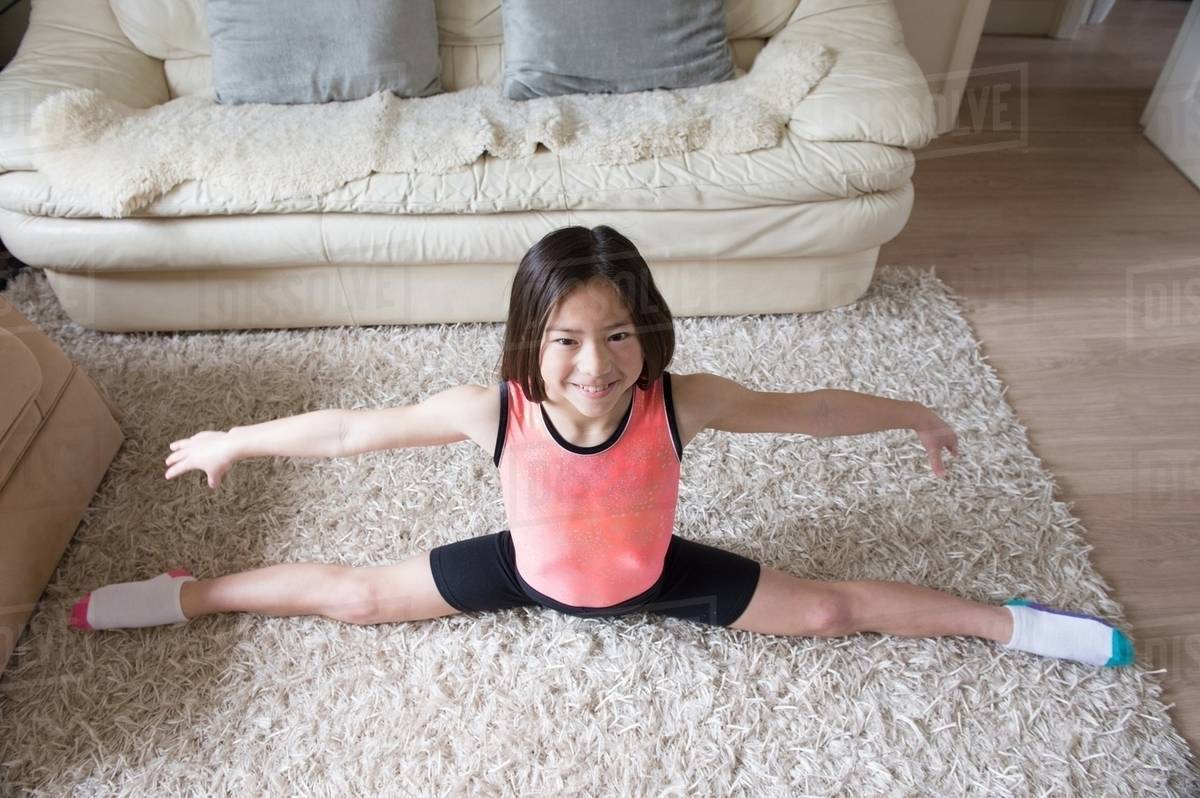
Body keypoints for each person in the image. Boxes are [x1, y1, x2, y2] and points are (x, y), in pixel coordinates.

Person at [70, 226, 1134, 670]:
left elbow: (807, 411)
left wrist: (913, 413)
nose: (595, 364)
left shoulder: (681, 401)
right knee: (351, 596)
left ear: (648, 333)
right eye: (568, 341)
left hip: (654, 576)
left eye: (618, 336)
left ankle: (1012, 624)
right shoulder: (495, 409)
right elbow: (351, 430)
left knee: (830, 610)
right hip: (526, 571)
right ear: (531, 340)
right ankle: (190, 592)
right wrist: (230, 438)